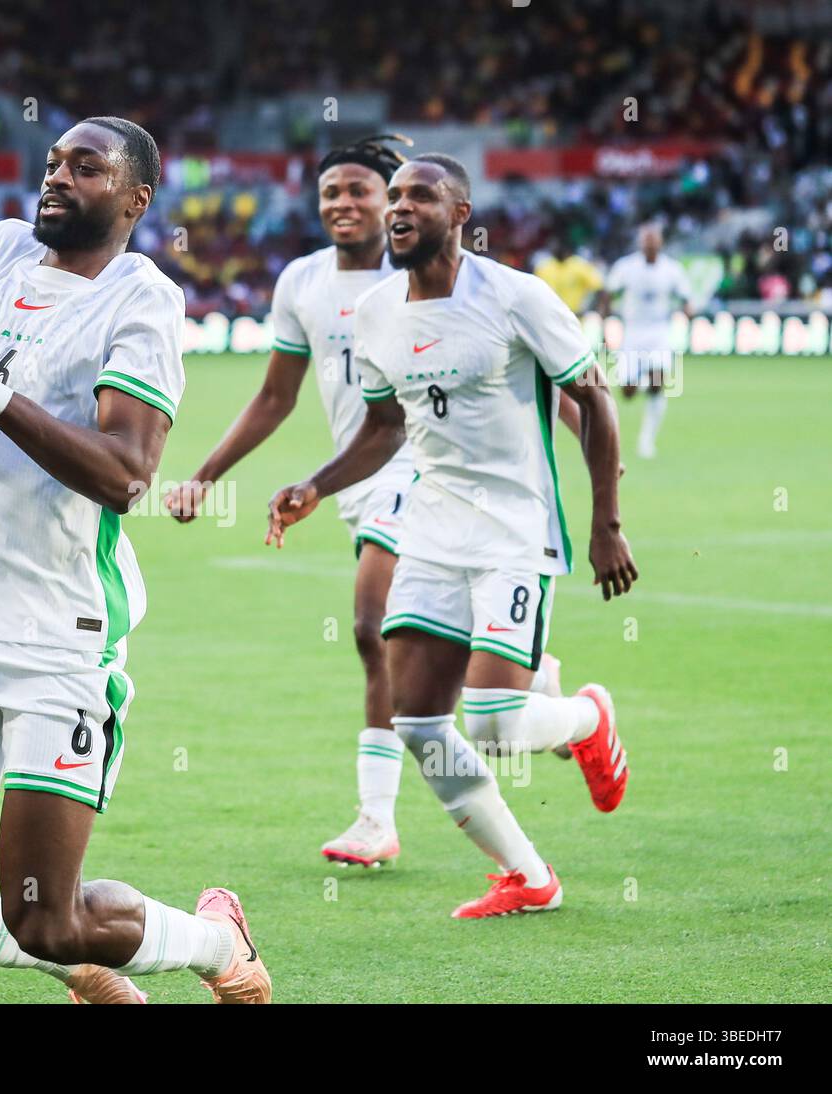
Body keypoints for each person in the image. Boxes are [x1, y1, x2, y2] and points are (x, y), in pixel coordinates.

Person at [0, 117, 270, 1004]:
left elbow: (126, 474)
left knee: (47, 910)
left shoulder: (141, 302)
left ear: (135, 198)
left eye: (86, 166)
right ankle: (75, 967)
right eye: (53, 163)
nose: (58, 177)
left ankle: (214, 940)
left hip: (59, 636)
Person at [268, 154, 638, 918]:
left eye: (421, 197)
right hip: (431, 530)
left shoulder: (514, 297)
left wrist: (606, 524)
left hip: (514, 531)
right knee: (418, 722)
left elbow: (595, 402)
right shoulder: (375, 312)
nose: (401, 208)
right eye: (395, 196)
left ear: (461, 213)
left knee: (497, 725)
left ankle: (589, 718)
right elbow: (383, 426)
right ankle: (527, 875)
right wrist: (316, 485)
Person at [167, 136, 415, 867]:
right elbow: (276, 397)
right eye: (331, 192)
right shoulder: (303, 282)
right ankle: (551, 699)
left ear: (391, 200)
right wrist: (205, 476)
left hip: (427, 465)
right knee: (425, 644)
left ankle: (376, 819)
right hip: (355, 473)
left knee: (374, 628)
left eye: (359, 191)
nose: (343, 203)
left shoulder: (426, 275)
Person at [602, 223, 693, 459]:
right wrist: (605, 322)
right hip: (632, 332)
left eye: (654, 240)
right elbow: (609, 294)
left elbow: (685, 298)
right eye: (646, 240)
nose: (650, 244)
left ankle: (647, 440)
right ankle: (641, 385)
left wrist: (688, 311)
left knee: (658, 381)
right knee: (628, 392)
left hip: (659, 331)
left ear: (660, 243)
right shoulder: (626, 267)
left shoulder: (671, 269)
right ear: (641, 243)